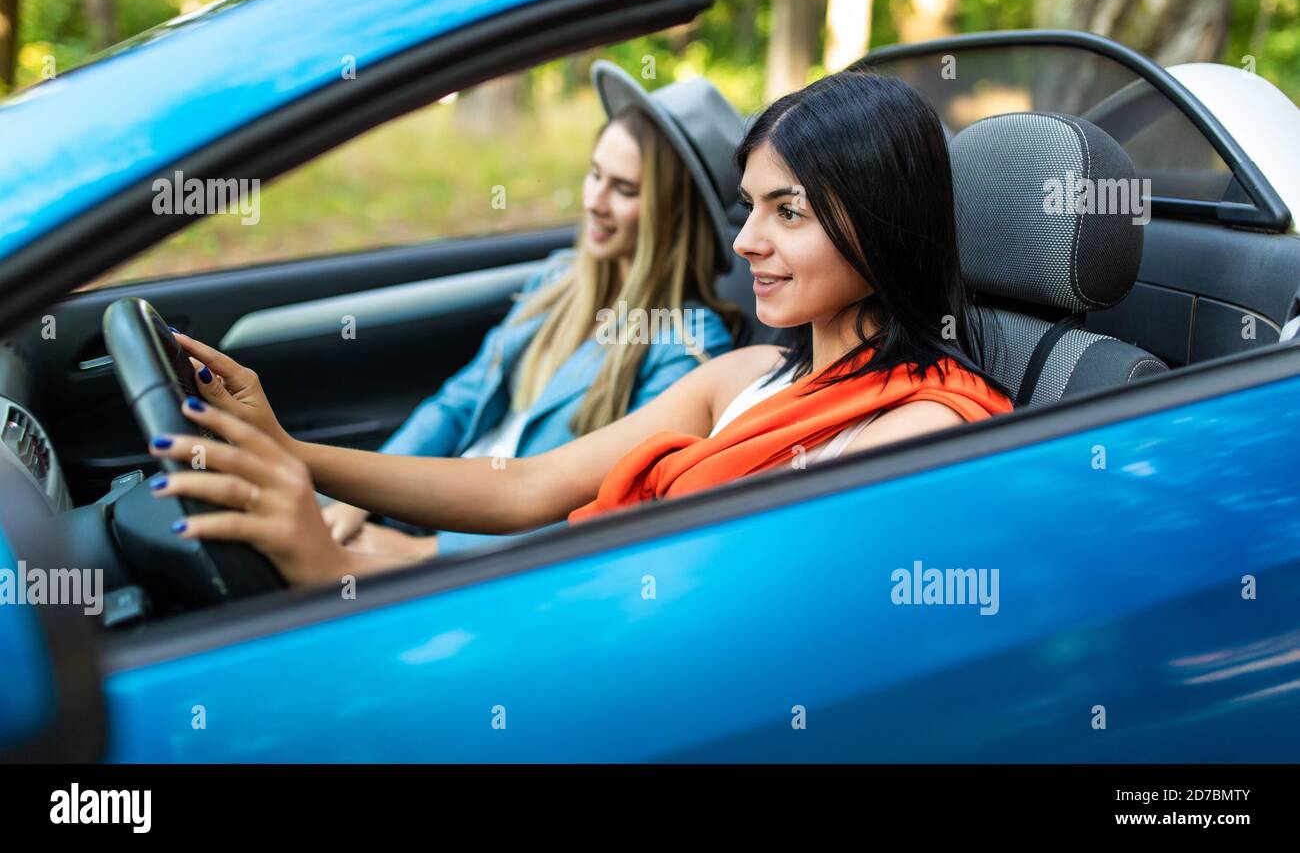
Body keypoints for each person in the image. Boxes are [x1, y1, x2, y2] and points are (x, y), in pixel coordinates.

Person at [148, 70, 1015, 585]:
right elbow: (526, 487)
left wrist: (340, 571)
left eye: (786, 213)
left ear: (879, 220)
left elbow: (709, 603)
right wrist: (293, 452)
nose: (747, 241)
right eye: (749, 207)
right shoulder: (743, 373)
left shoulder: (923, 427)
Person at [319, 61, 745, 558]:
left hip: (490, 557)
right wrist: (355, 502)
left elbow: (610, 500)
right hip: (433, 504)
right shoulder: (558, 279)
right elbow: (458, 403)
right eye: (594, 175)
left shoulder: (688, 343)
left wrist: (422, 553)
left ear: (674, 214)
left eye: (624, 189)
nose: (594, 201)